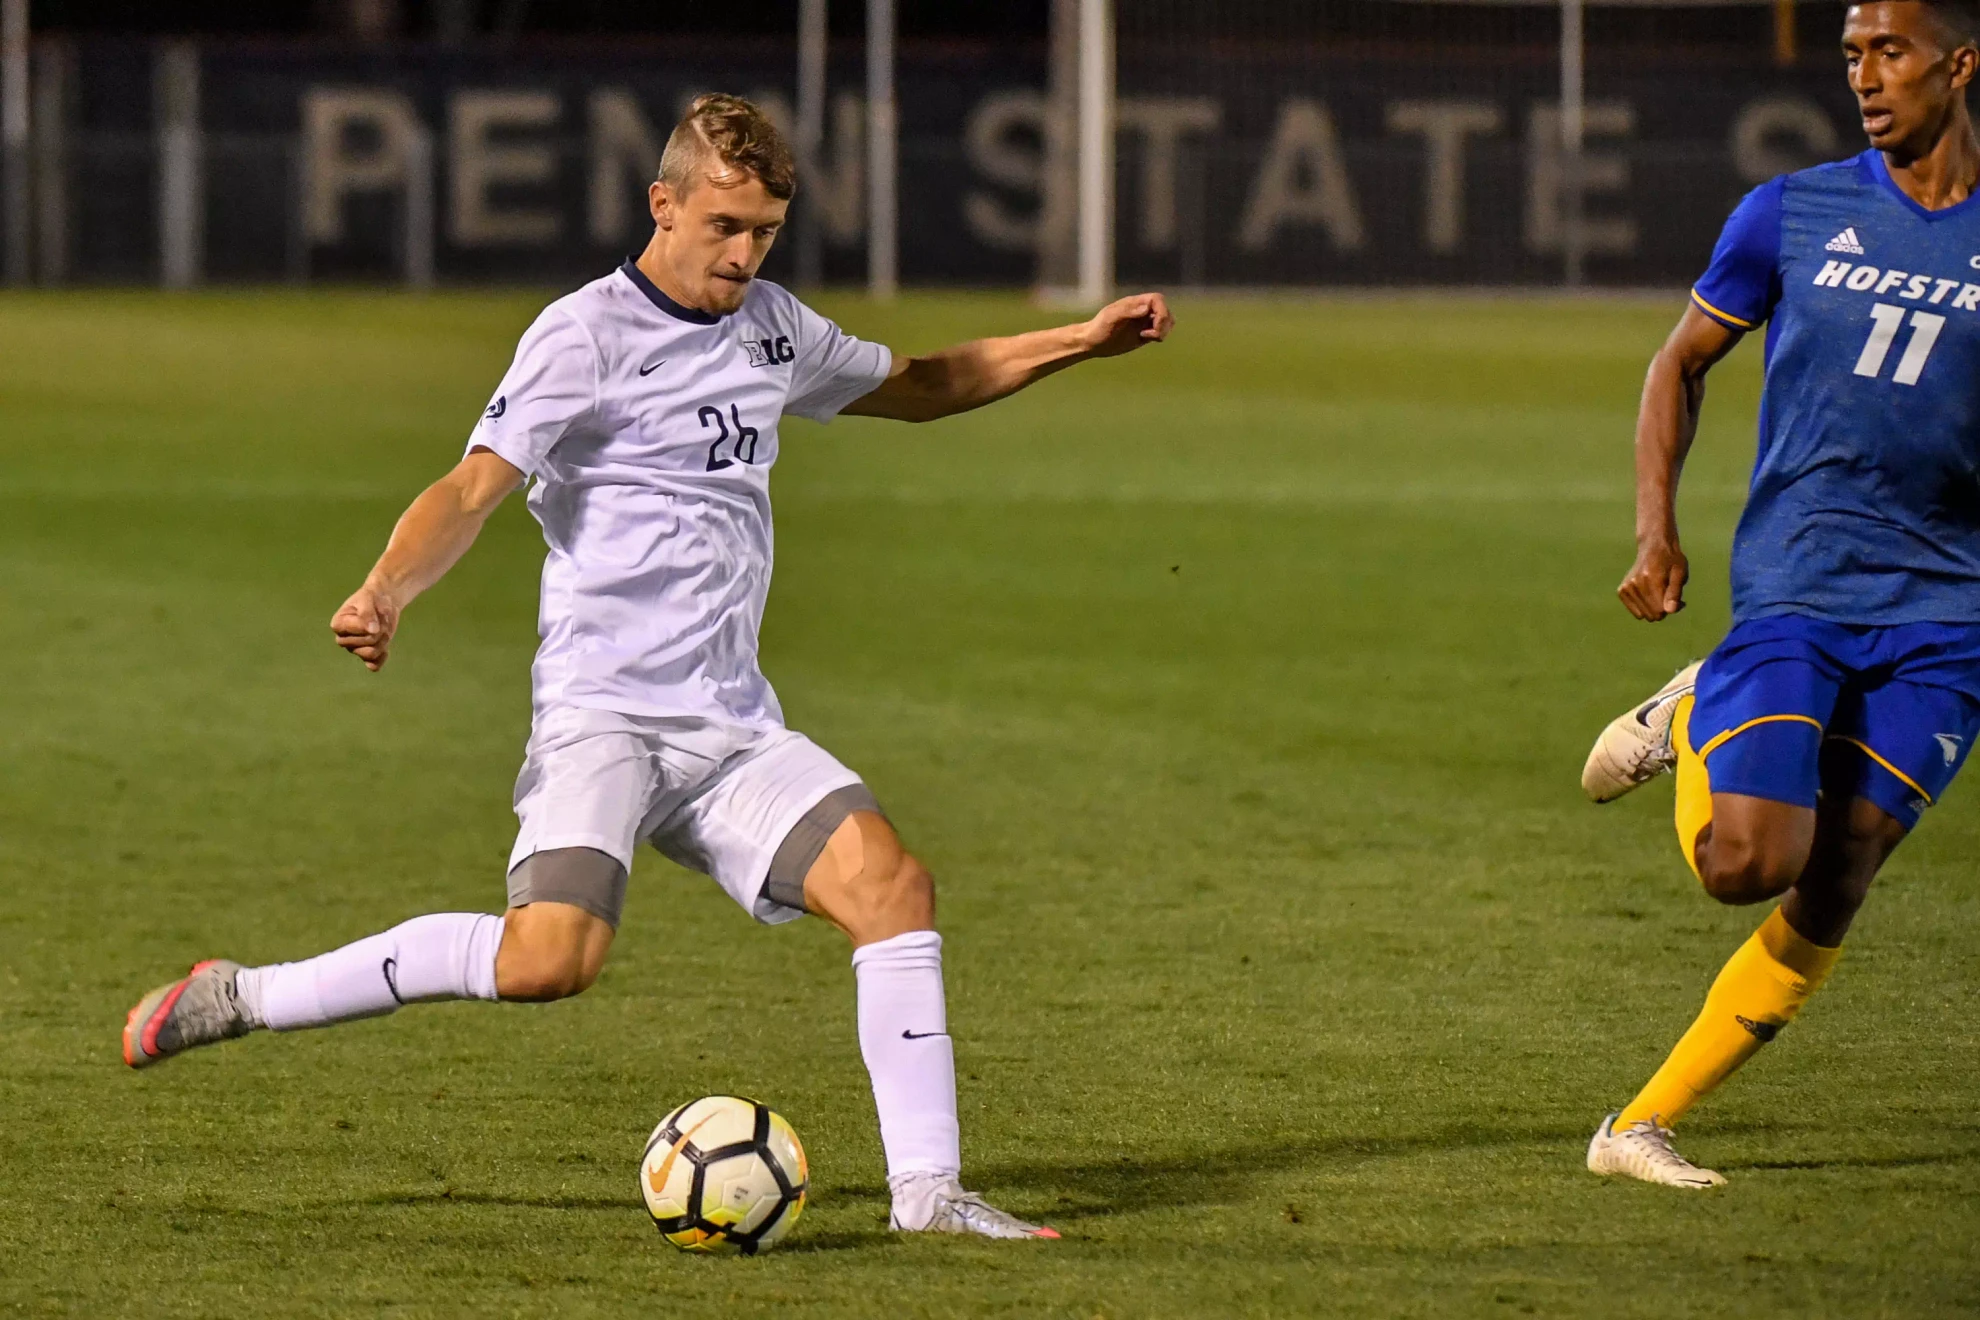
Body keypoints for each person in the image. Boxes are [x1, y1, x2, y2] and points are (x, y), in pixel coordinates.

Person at [121, 93, 1173, 1239]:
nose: (744, 252)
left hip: (731, 728)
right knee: (548, 962)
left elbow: (919, 382)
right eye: (723, 226)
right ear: (662, 205)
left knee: (892, 891)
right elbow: (474, 486)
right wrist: (385, 587)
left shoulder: (772, 325)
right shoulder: (582, 336)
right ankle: (242, 994)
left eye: (765, 231)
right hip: (605, 719)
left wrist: (1079, 339)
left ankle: (930, 1196)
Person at [1579, 0, 1980, 1188]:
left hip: (1950, 615)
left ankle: (1635, 1129)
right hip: (1803, 581)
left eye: (1890, 52)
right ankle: (1699, 705)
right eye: (1852, 52)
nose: (1863, 74)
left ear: (1960, 65)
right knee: (1744, 864)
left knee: (1841, 871)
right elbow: (1679, 361)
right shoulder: (1791, 212)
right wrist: (1657, 529)